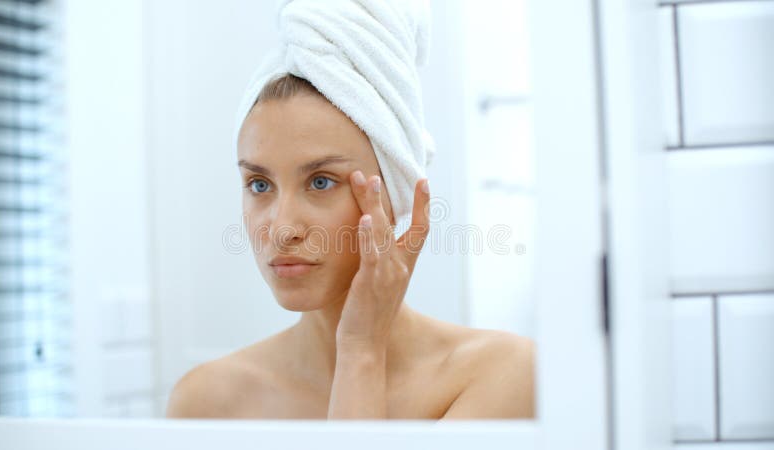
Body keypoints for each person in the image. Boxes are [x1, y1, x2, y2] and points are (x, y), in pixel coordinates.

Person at [165, 74, 535, 420]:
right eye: (259, 184)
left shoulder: (503, 374)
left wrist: (362, 351)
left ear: (394, 193)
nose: (281, 230)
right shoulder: (206, 402)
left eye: (321, 182)